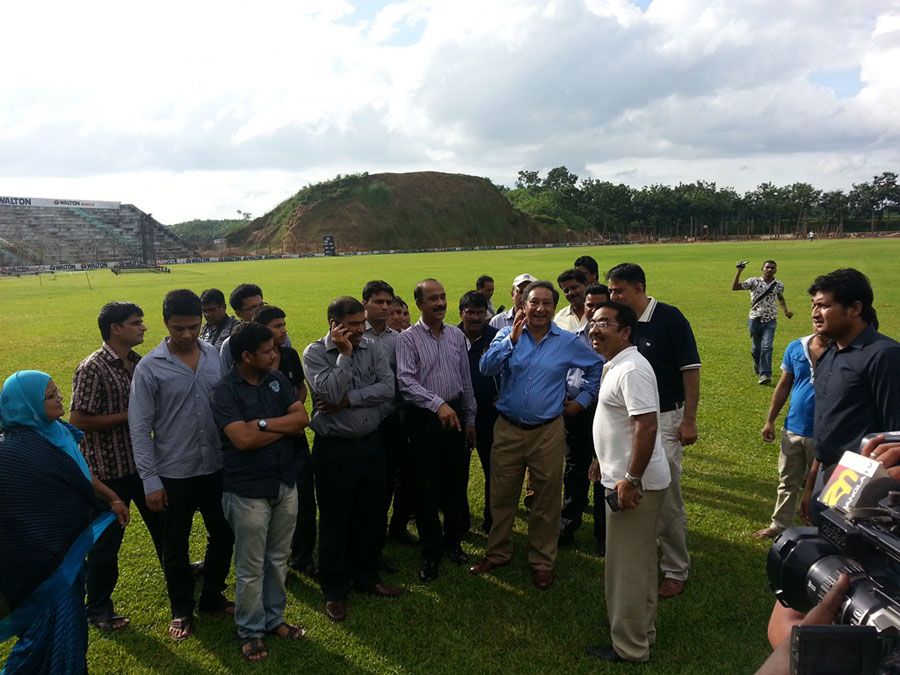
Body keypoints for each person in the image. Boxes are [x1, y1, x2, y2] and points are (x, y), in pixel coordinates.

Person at [471, 281, 602, 590]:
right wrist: (511, 340)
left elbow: (597, 367)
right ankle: (497, 552)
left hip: (547, 431)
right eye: (534, 302)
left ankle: (542, 560)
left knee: (546, 498)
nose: (540, 308)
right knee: (502, 495)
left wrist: (582, 401)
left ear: (554, 308)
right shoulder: (507, 334)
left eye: (547, 303)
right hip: (508, 429)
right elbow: (486, 368)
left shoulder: (567, 341)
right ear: (523, 305)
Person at [0, 371, 128, 673]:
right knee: (42, 637)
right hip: (39, 565)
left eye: (56, 390)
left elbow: (80, 473)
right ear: (28, 405)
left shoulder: (58, 431)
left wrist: (112, 497)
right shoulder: (12, 452)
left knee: (70, 631)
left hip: (67, 554)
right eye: (50, 396)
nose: (59, 398)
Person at [129, 289, 235, 641]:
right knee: (175, 544)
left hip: (215, 465)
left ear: (201, 320)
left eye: (193, 326)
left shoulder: (214, 355)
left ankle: (213, 596)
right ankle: (182, 609)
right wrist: (150, 481)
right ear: (165, 323)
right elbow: (140, 428)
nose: (187, 334)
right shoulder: (150, 367)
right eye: (179, 328)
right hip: (174, 472)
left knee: (224, 533)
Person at [211, 322, 309, 661]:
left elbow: (302, 419)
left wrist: (264, 425)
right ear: (246, 357)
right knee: (250, 566)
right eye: (267, 351)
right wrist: (283, 427)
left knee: (279, 558)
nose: (274, 355)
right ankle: (250, 631)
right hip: (247, 489)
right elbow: (242, 440)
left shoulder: (277, 379)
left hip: (284, 481)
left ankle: (273, 618)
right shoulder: (224, 391)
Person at [303, 297, 401, 622]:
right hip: (335, 449)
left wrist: (349, 400)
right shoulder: (315, 353)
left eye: (362, 323)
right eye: (353, 324)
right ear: (334, 325)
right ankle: (334, 589)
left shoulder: (373, 348)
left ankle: (367, 576)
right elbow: (328, 394)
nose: (360, 330)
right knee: (335, 519)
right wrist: (344, 356)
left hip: (371, 443)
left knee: (371, 513)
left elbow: (387, 388)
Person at [607, 263, 700, 600]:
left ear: (639, 287)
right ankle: (640, 557)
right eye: (611, 291)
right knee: (630, 483)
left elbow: (690, 371)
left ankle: (675, 568)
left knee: (666, 493)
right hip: (627, 420)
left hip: (664, 418)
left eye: (619, 290)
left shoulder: (669, 318)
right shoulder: (619, 322)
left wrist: (689, 420)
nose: (613, 297)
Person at [70, 302, 165, 631]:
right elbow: (78, 420)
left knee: (165, 527)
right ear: (115, 329)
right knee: (106, 546)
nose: (143, 327)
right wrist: (132, 416)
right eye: (136, 322)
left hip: (142, 465)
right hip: (108, 472)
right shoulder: (92, 368)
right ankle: (98, 608)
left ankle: (179, 577)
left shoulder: (138, 363)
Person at [585, 301, 671, 664]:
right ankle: (642, 633)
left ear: (625, 332)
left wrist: (631, 479)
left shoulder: (632, 369)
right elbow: (618, 423)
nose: (594, 328)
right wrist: (600, 460)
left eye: (604, 323)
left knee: (626, 570)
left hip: (634, 486)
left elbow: (646, 426)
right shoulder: (616, 364)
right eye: (593, 321)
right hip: (625, 478)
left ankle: (630, 647)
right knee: (640, 563)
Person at [800, 268, 900, 526]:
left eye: (824, 306)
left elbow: (895, 434)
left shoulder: (884, 356)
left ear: (855, 308)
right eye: (813, 305)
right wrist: (811, 484)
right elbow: (827, 429)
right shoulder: (829, 353)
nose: (814, 313)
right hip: (827, 475)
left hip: (864, 484)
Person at [397, 279, 476, 582]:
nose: (440, 303)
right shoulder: (408, 339)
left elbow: (465, 380)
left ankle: (453, 541)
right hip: (425, 418)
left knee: (455, 482)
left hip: (454, 415)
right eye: (433, 299)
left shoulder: (456, 335)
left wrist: (470, 419)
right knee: (426, 486)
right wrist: (437, 403)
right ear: (419, 304)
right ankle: (431, 549)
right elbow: (406, 382)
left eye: (442, 297)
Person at [252, 306, 317, 577]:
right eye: (277, 326)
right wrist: (286, 424)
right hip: (269, 444)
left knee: (305, 502)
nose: (284, 330)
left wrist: (293, 412)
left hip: (296, 442)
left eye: (284, 324)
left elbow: (300, 387)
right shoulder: (252, 362)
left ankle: (303, 557)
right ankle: (276, 562)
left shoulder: (289, 355)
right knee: (270, 507)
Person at [752, 331, 827, 539]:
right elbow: (784, 385)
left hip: (825, 434)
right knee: (787, 481)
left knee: (823, 487)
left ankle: (821, 529)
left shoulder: (841, 351)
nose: (817, 316)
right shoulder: (796, 347)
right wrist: (770, 420)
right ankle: (779, 525)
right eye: (815, 313)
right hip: (793, 428)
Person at [362, 280, 416, 550]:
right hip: (366, 420)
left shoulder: (398, 339)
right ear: (365, 304)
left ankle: (398, 526)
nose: (384, 307)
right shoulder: (356, 335)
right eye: (378, 302)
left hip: (395, 417)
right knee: (374, 480)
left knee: (403, 473)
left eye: (388, 302)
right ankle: (373, 531)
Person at [559, 284, 608, 550]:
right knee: (575, 470)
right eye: (590, 305)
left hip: (607, 413)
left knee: (605, 473)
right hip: (577, 415)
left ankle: (604, 535)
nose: (594, 310)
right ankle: (568, 526)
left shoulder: (619, 340)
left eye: (600, 305)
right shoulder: (572, 338)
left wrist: (583, 400)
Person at [458, 290, 499, 534]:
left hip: (490, 416)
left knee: (494, 471)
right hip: (459, 416)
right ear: (461, 313)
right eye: (470, 312)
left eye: (480, 312)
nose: (475, 317)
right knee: (457, 472)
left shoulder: (496, 338)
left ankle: (492, 521)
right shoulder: (450, 337)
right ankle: (460, 522)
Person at [732, 260, 794, 384]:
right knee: (756, 348)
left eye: (772, 268)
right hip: (755, 318)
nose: (769, 269)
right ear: (762, 269)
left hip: (770, 319)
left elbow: (780, 297)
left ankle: (765, 374)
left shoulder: (779, 285)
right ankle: (758, 363)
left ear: (775, 270)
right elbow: (735, 287)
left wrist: (785, 311)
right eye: (767, 267)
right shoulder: (753, 281)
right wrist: (739, 271)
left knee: (767, 347)